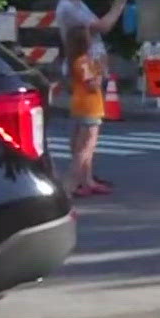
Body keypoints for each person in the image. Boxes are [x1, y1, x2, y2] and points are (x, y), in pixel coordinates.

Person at [53, 0, 128, 187]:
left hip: (85, 78)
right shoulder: (68, 8)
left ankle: (85, 179)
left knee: (82, 132)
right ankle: (75, 181)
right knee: (86, 137)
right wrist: (119, 3)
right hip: (88, 84)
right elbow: (102, 27)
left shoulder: (77, 3)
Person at [61, 24, 109, 197]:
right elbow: (92, 85)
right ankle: (69, 185)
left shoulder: (73, 60)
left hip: (78, 105)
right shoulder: (84, 62)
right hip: (90, 107)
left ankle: (85, 182)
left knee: (79, 147)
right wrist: (101, 71)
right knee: (85, 149)